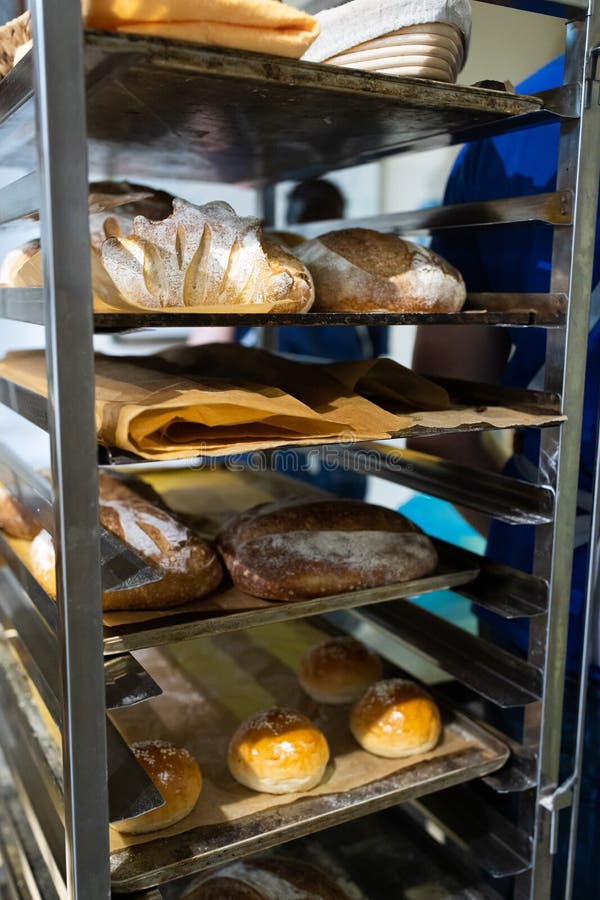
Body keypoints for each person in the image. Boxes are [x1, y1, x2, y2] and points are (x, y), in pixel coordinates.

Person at [410, 55, 600, 898]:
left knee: (535, 846)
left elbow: (444, 408)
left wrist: (520, 519)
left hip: (547, 575)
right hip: (548, 575)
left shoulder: (520, 124)